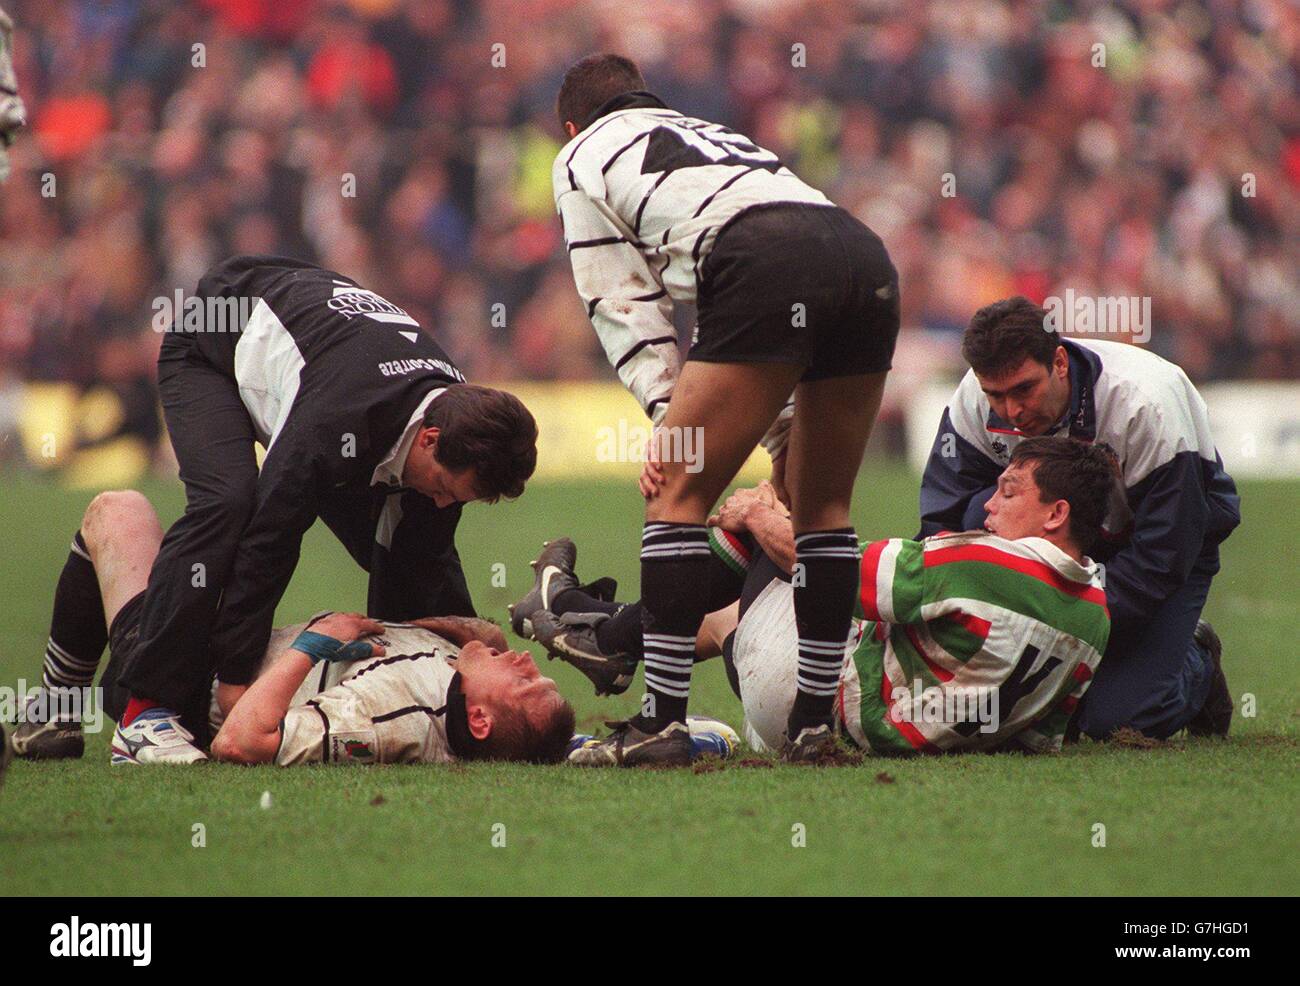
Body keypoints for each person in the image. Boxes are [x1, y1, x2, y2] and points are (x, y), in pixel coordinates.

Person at [12, 255, 539, 765]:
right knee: (230, 502)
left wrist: (468, 667)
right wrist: (238, 678)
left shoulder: (451, 423)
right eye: (447, 486)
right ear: (428, 440)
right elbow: (269, 539)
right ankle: (146, 711)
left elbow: (426, 557)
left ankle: (59, 708)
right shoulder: (340, 419)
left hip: (315, 349)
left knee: (412, 540)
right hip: (210, 342)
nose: (446, 502)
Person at [550, 53, 900, 763]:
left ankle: (661, 727)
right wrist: (777, 436)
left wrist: (665, 417)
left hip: (764, 256)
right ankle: (811, 730)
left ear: (568, 125)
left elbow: (621, 300)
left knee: (677, 491)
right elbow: (764, 343)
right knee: (820, 507)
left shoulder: (580, 154)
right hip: (863, 256)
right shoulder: (710, 133)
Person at [516, 437, 1116, 759]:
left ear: (1056, 513)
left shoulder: (995, 562)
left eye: (1008, 492)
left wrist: (757, 510)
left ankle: (603, 638)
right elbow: (1041, 738)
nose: (987, 506)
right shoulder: (1096, 610)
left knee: (779, 520)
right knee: (730, 617)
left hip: (815, 710)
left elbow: (835, 572)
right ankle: (592, 624)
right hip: (871, 724)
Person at [10, 490, 574, 767]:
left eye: (525, 683)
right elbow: (490, 646)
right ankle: (51, 717)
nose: (527, 662)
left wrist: (314, 644)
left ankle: (63, 710)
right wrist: (481, 643)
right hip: (221, 638)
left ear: (477, 720)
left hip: (178, 673)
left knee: (118, 510)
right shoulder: (457, 682)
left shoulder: (387, 716)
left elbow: (243, 740)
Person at [917, 297, 1238, 740]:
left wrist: (1067, 619)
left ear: (1060, 363)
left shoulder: (1144, 404)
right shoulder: (974, 398)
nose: (1010, 410)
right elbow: (944, 520)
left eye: (1024, 389)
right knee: (977, 512)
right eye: (996, 395)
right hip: (1062, 540)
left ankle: (1196, 658)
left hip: (1165, 543)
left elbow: (1164, 554)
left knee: (1120, 720)